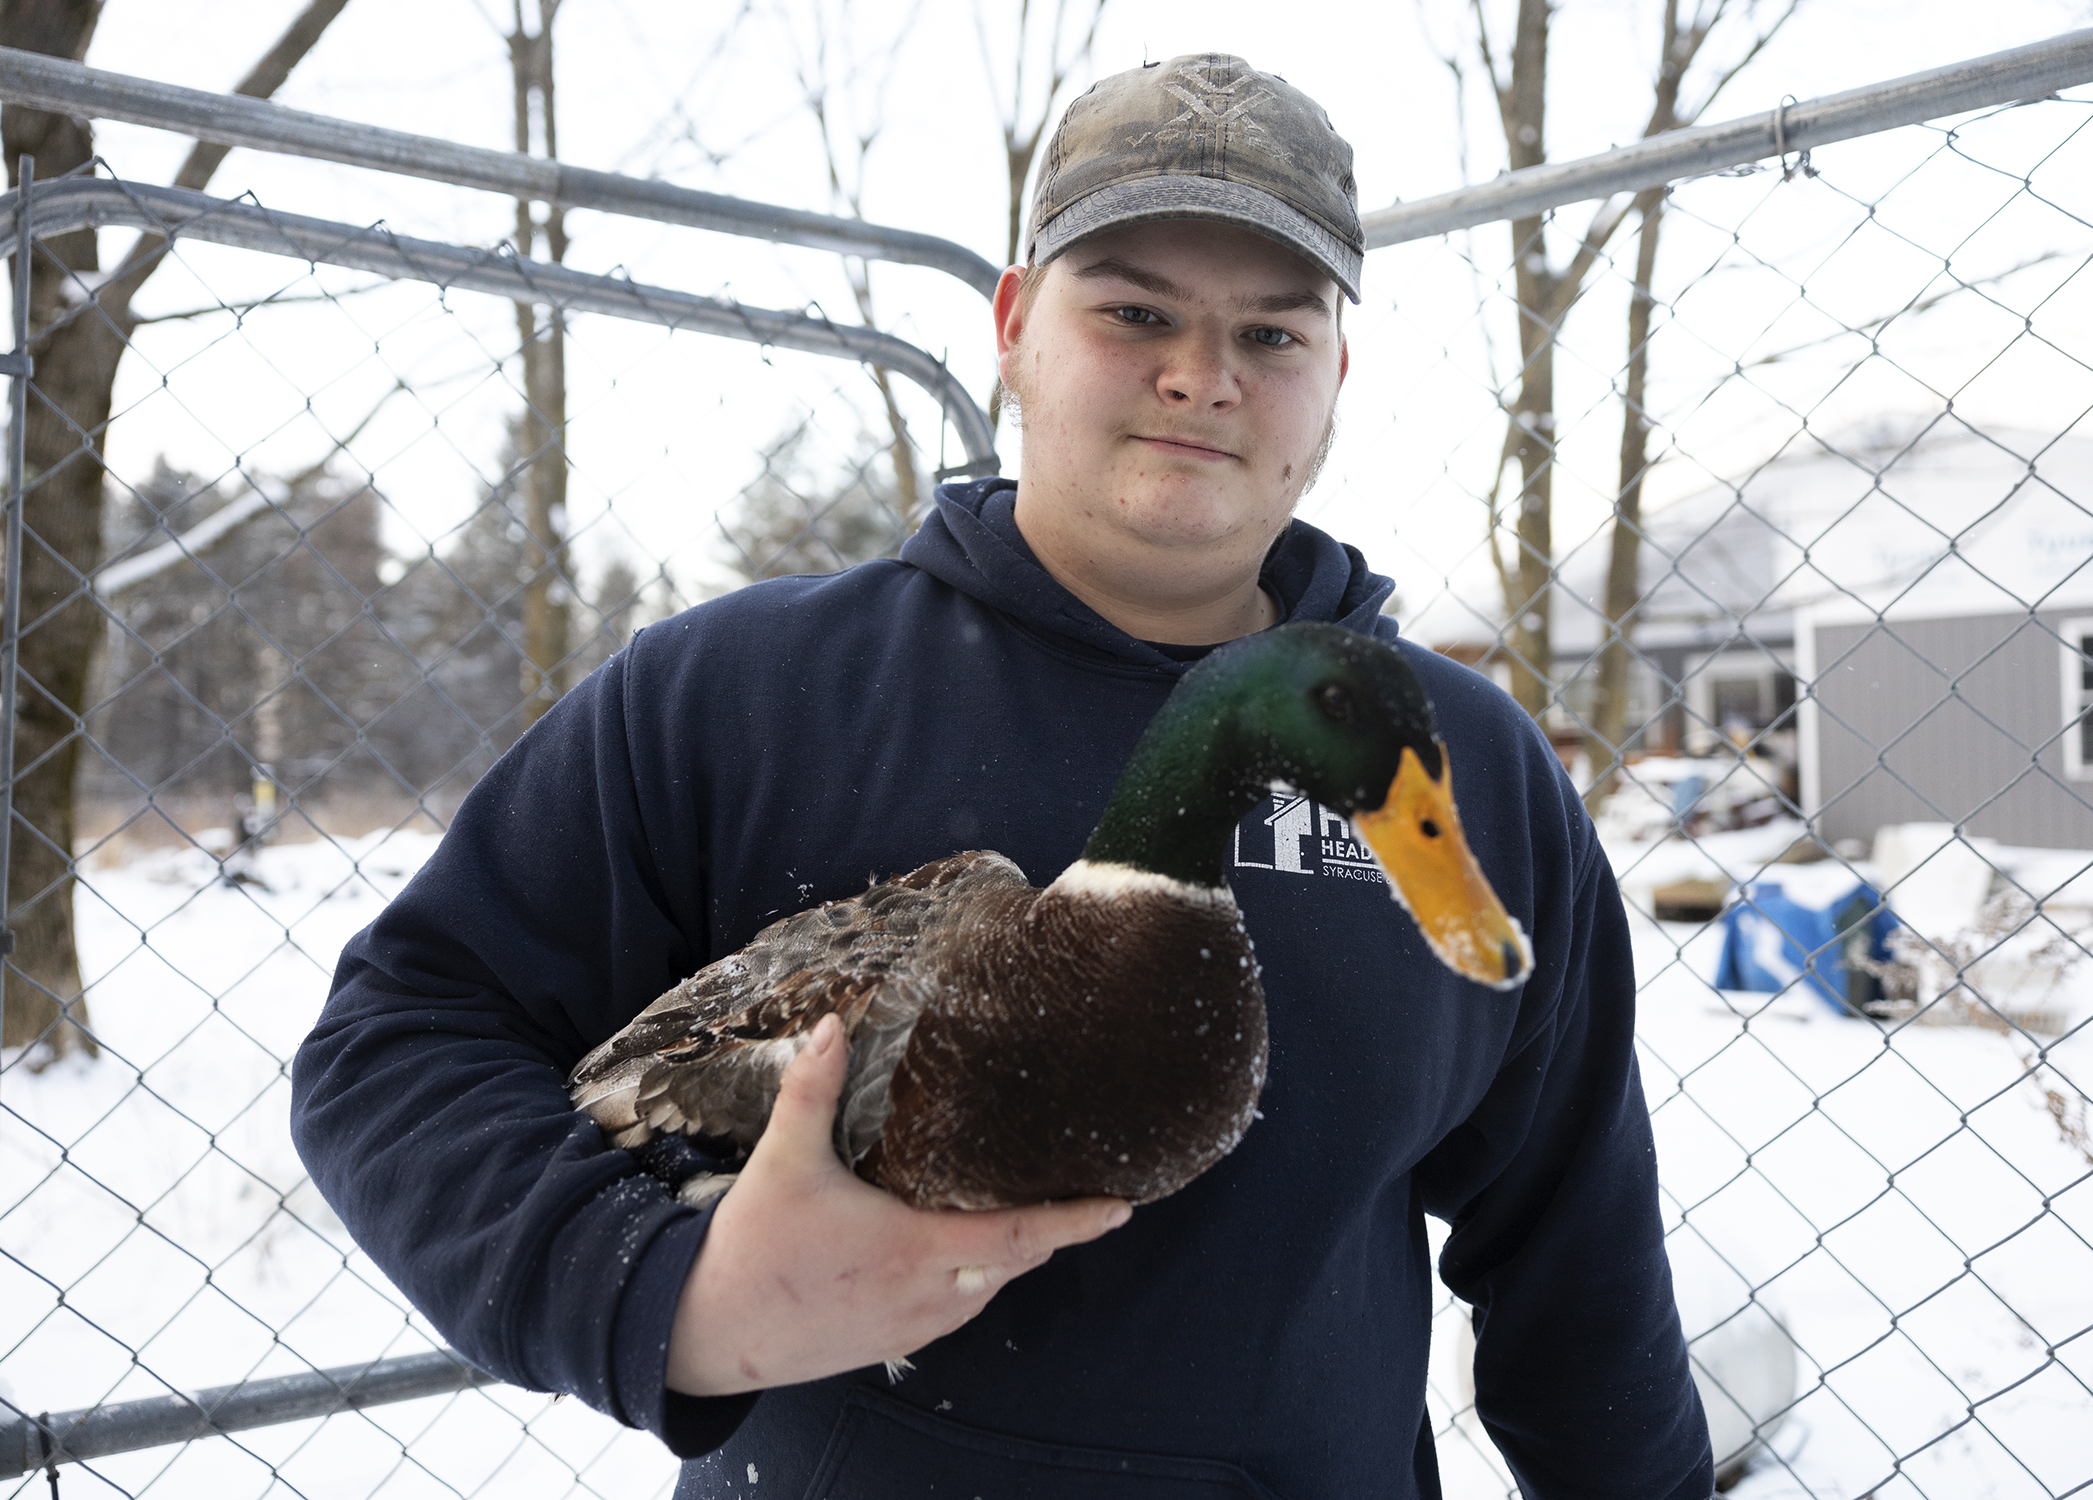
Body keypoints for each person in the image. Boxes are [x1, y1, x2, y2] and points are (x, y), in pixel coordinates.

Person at [292, 52, 1714, 1499]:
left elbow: (1574, 1244)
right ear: (1018, 326)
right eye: (1135, 310)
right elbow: (400, 1039)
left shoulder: (1465, 775)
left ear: (1335, 371)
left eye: (1273, 335)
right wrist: (671, 1293)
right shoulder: (743, 691)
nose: (1200, 376)